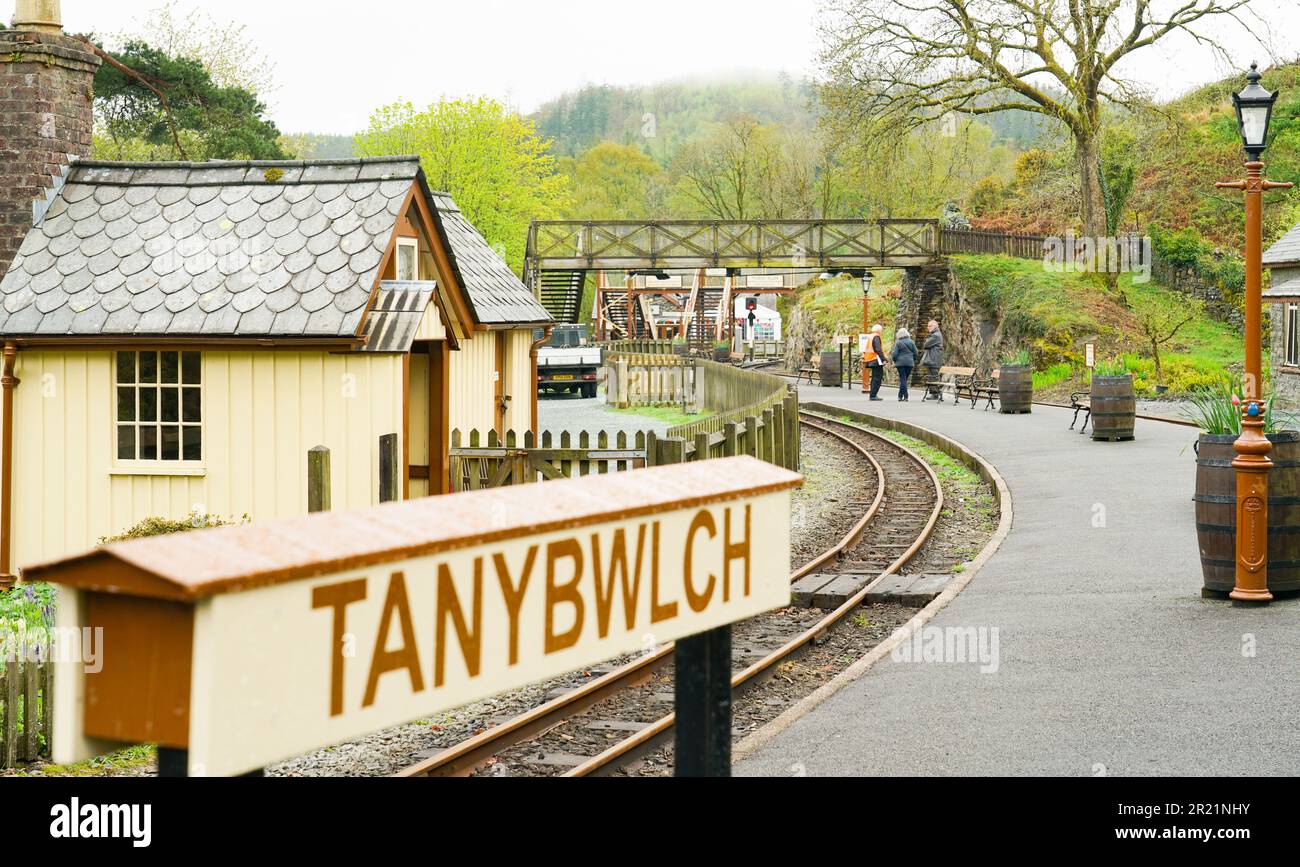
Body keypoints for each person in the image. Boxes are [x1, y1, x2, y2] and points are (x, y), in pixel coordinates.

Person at [892, 327, 919, 402]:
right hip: (909, 364)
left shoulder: (898, 342)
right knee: (904, 379)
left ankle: (906, 396)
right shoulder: (911, 342)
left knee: (903, 379)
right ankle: (900, 396)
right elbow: (916, 353)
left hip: (900, 364)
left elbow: (894, 354)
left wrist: (895, 360)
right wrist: (912, 359)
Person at [922, 320, 945, 401]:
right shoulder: (935, 334)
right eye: (928, 326)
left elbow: (926, 344)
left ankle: (936, 394)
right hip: (933, 359)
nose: (928, 327)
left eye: (929, 326)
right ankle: (934, 394)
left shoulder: (935, 335)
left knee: (934, 377)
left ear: (934, 326)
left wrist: (927, 342)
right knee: (932, 377)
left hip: (934, 360)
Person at [866, 325, 887, 401]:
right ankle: (873, 395)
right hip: (876, 359)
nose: (881, 332)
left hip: (870, 359)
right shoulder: (876, 337)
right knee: (877, 378)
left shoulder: (870, 336)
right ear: (878, 330)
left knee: (874, 377)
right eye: (881, 330)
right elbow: (878, 349)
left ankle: (872, 394)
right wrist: (883, 359)